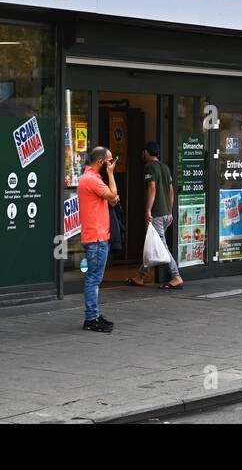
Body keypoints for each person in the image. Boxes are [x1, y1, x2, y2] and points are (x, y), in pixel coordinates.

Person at [126, 141, 183, 289]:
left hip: (156, 213)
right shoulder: (165, 167)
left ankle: (176, 276)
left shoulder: (149, 167)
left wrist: (148, 210)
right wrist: (170, 211)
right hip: (165, 213)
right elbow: (171, 190)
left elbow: (152, 188)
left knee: (161, 247)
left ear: (146, 152)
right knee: (153, 245)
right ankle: (140, 277)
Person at [77, 146, 119, 332]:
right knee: (93, 279)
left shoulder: (91, 178)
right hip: (96, 237)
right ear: (101, 162)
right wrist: (111, 174)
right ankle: (91, 318)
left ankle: (93, 314)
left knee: (94, 278)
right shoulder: (92, 180)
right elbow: (113, 197)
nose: (112, 163)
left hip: (97, 236)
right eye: (110, 161)